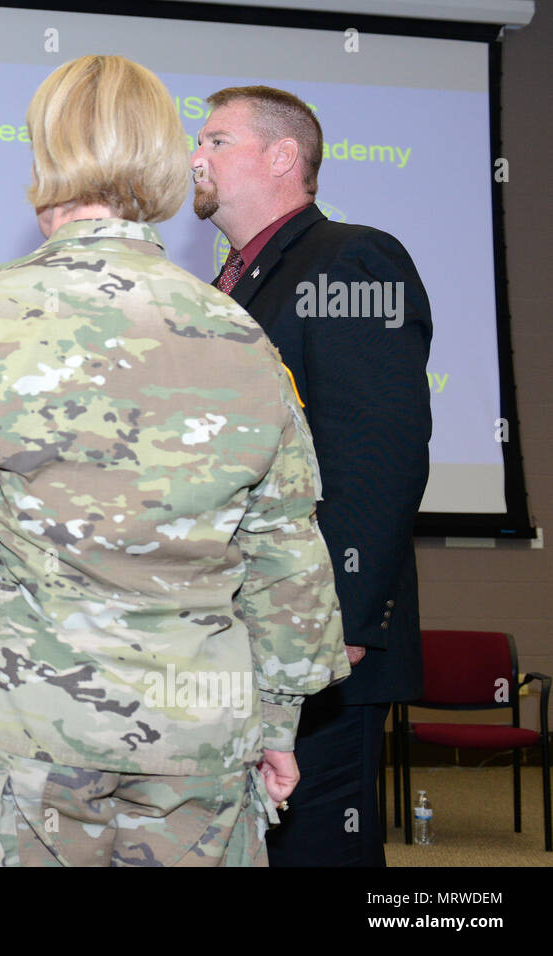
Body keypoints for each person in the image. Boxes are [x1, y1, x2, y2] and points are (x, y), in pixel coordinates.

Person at [0, 55, 351, 867]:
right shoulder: (240, 333)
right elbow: (287, 551)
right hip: (200, 731)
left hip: (25, 730)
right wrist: (277, 724)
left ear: (45, 156)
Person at [190, 86, 432, 867]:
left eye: (218, 140)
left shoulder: (351, 260)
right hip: (238, 630)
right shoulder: (225, 285)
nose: (197, 157)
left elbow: (376, 455)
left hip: (315, 633)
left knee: (315, 846)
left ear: (283, 157)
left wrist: (344, 626)